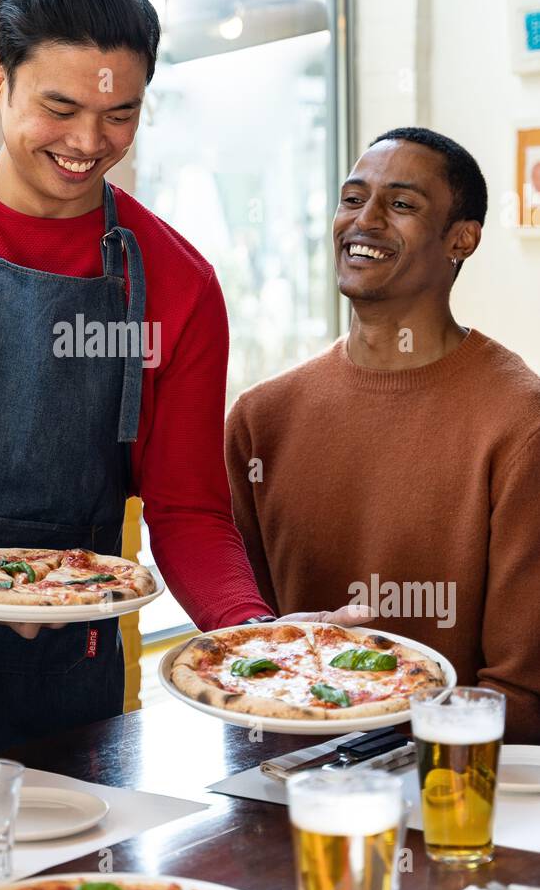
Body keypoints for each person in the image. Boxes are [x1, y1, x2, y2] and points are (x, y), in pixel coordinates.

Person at [0, 0, 364, 752]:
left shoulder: (179, 280)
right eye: (60, 107)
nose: (89, 141)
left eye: (121, 114)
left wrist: (253, 639)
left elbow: (186, 509)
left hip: (74, 669)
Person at [226, 126, 540, 741]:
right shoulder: (261, 419)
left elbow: (521, 694)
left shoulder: (520, 422)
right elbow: (244, 643)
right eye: (352, 198)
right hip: (271, 781)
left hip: (451, 794)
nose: (364, 220)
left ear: (461, 240)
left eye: (401, 205)